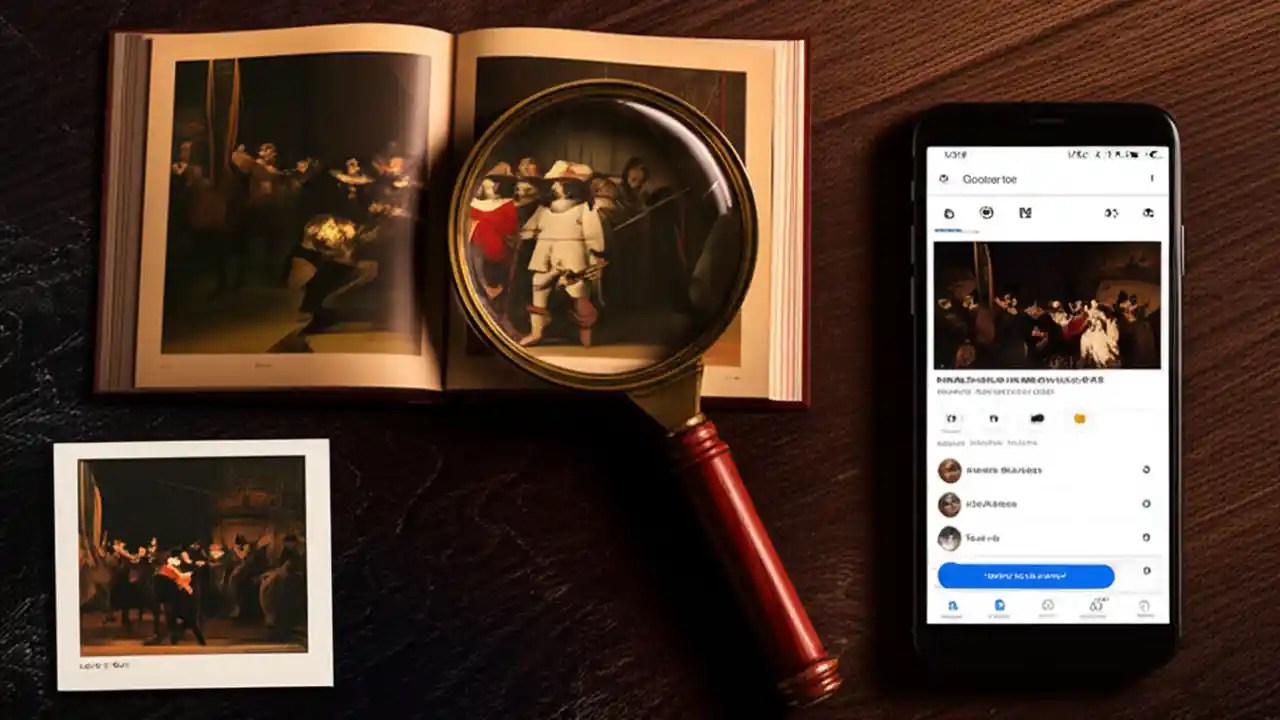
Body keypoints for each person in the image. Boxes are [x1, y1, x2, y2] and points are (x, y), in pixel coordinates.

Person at [519, 162, 605, 348]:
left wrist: (595, 253)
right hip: (545, 256)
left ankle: (586, 333)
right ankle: (536, 333)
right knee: (538, 287)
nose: (553, 186)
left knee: (577, 292)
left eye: (557, 183)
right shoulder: (544, 210)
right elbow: (528, 230)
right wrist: (528, 235)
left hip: (573, 257)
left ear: (568, 187)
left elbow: (593, 235)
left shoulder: (584, 209)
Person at [469, 175, 520, 305]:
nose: (490, 188)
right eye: (486, 186)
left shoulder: (507, 204)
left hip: (499, 246)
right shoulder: (473, 204)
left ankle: (494, 291)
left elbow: (511, 228)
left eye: (492, 186)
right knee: (474, 259)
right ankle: (485, 288)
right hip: (476, 242)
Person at [145, 548, 205, 646]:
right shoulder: (165, 571)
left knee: (177, 621)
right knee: (185, 620)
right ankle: (174, 639)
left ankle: (172, 638)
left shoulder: (166, 570)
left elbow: (180, 578)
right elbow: (179, 579)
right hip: (175, 600)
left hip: (173, 600)